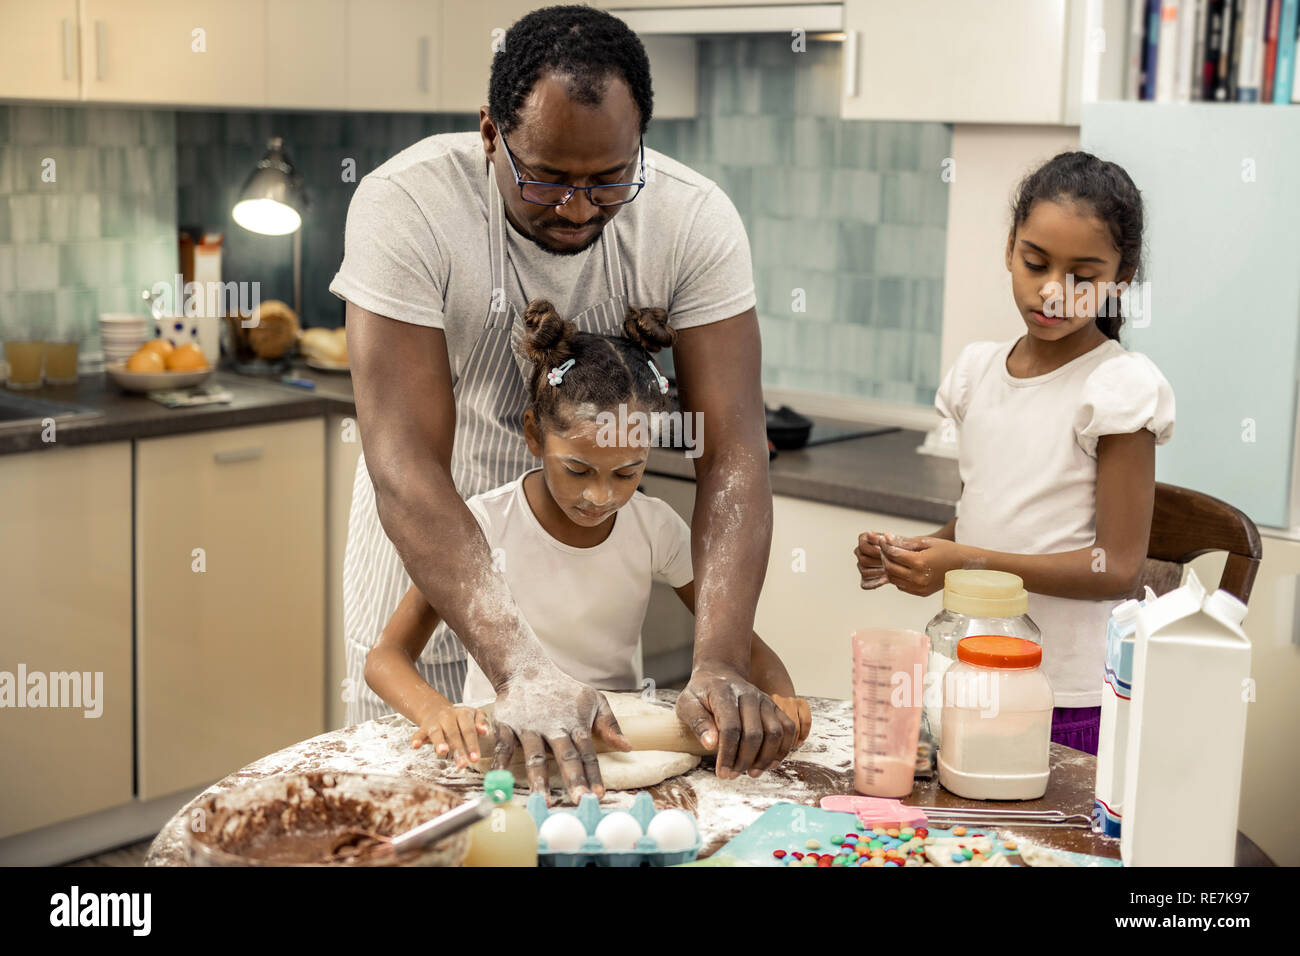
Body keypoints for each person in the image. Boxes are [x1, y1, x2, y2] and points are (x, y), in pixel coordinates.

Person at [330, 5, 778, 800]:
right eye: (546, 178)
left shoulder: (692, 219)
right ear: (490, 133)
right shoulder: (408, 206)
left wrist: (719, 655)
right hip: (432, 585)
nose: (576, 206)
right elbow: (402, 459)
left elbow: (735, 449)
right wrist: (519, 666)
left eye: (608, 179)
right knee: (423, 829)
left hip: (582, 619)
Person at [363, 301, 812, 799]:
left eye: (627, 473)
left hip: (617, 747)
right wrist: (438, 712)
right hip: (508, 753)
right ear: (534, 434)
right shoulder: (483, 527)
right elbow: (386, 655)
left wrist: (781, 698)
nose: (601, 497)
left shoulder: (653, 526)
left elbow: (740, 644)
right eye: (578, 469)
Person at [854, 151, 1175, 755]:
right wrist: (918, 550)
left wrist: (964, 561)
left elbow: (1120, 567)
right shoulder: (978, 372)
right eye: (1036, 262)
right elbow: (985, 513)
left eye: (1084, 275)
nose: (1054, 291)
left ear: (1121, 278)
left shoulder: (1118, 388)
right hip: (969, 674)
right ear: (1010, 250)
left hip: (1065, 693)